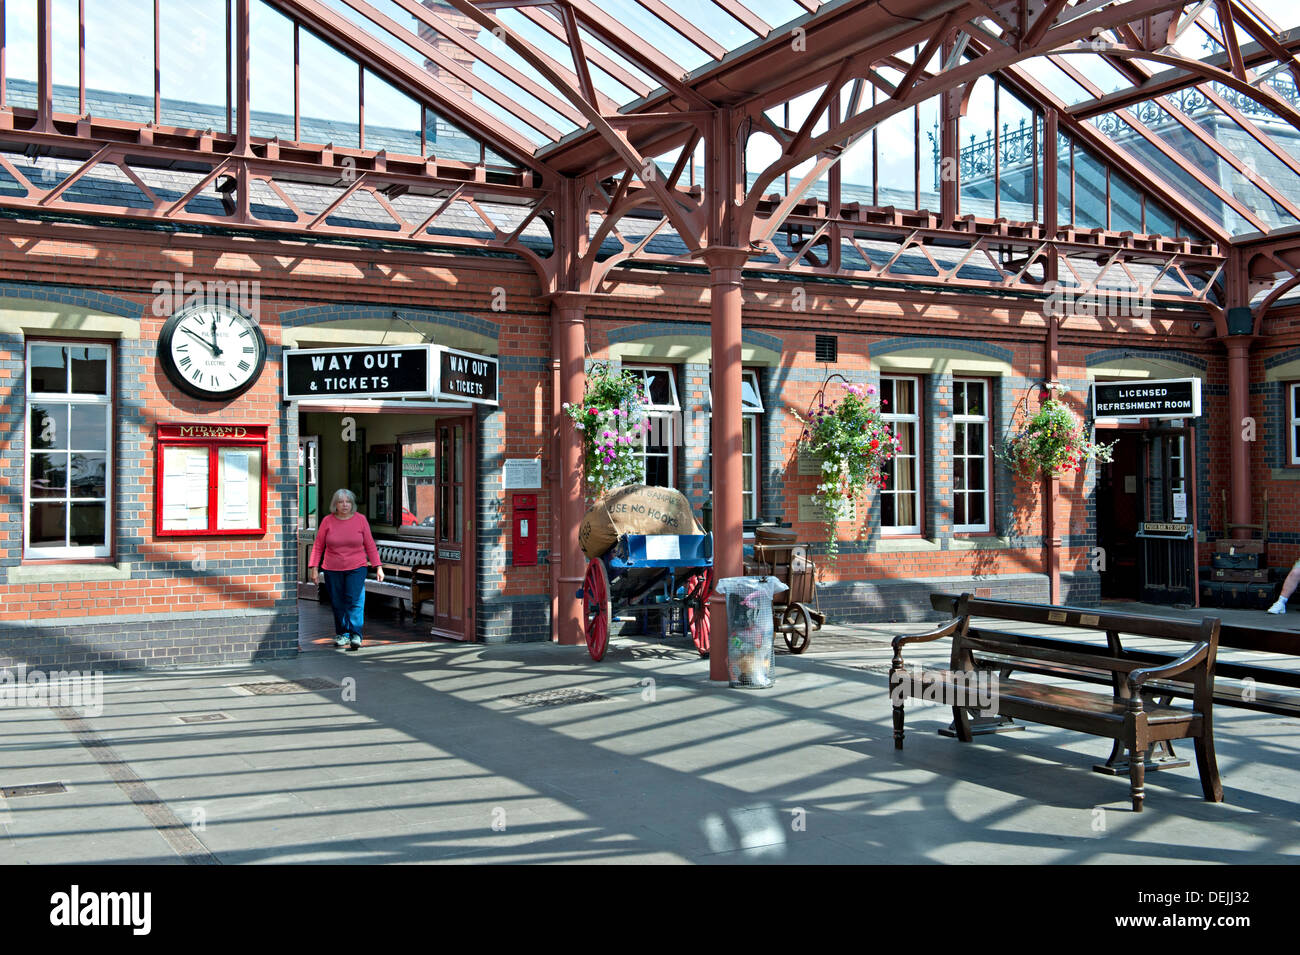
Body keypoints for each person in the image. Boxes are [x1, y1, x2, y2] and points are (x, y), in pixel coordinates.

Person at [309, 489, 383, 649]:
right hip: (332, 568)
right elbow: (318, 546)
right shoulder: (327, 521)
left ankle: (356, 634)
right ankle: (343, 634)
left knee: (355, 600)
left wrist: (378, 567)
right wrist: (314, 568)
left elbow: (370, 544)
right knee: (337, 601)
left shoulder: (360, 520)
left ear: (352, 504)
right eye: (341, 502)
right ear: (335, 504)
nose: (344, 505)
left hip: (356, 567)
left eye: (348, 502)